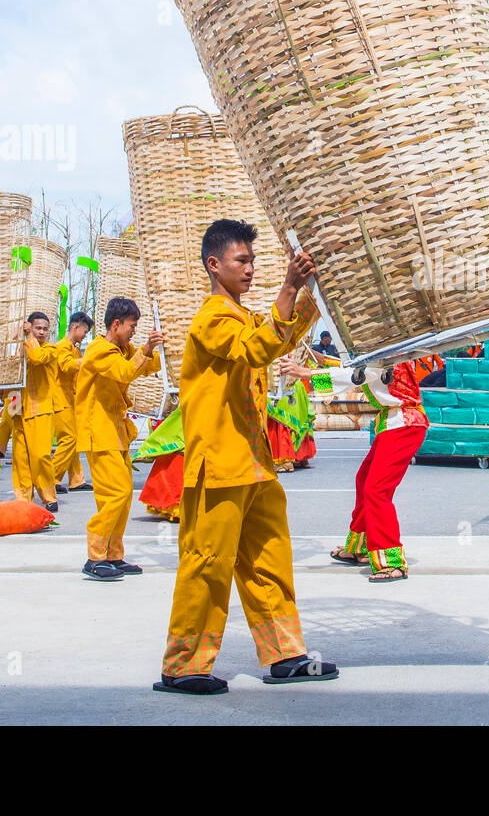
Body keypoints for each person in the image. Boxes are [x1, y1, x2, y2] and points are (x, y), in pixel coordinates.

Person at [156, 218, 336, 694]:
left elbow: (278, 336)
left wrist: (312, 294)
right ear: (214, 265)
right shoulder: (212, 318)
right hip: (219, 465)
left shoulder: (243, 315)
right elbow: (259, 349)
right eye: (242, 260)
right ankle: (183, 666)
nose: (250, 268)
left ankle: (285, 654)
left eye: (253, 260)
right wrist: (288, 286)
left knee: (269, 559)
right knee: (207, 561)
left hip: (255, 464)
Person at [287, 356, 429, 580]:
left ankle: (391, 562)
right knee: (364, 481)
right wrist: (323, 360)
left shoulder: (386, 357)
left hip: (403, 426)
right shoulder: (384, 354)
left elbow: (353, 377)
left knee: (377, 490)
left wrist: (305, 374)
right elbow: (355, 369)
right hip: (395, 424)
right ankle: (360, 547)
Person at [78, 298, 163, 580]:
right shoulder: (98, 351)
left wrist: (159, 349)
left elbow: (146, 368)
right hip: (98, 434)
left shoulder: (121, 349)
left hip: (115, 433)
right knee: (115, 495)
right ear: (116, 324)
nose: (133, 332)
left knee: (122, 497)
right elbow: (126, 371)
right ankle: (95, 557)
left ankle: (112, 555)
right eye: (132, 326)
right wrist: (147, 349)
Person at [10, 311, 59, 511]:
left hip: (40, 407)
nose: (41, 332)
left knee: (40, 456)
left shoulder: (50, 350)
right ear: (29, 326)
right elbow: (9, 366)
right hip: (17, 404)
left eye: (45, 329)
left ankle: (49, 497)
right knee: (20, 456)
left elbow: (36, 358)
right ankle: (23, 499)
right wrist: (17, 336)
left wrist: (28, 337)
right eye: (38, 328)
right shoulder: (22, 347)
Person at [51, 311, 95, 494]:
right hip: (60, 399)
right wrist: (89, 360)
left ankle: (76, 479)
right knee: (70, 439)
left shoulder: (74, 348)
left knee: (74, 439)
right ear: (75, 327)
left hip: (71, 399)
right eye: (84, 331)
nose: (85, 335)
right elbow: (67, 366)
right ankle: (51, 477)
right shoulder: (62, 346)